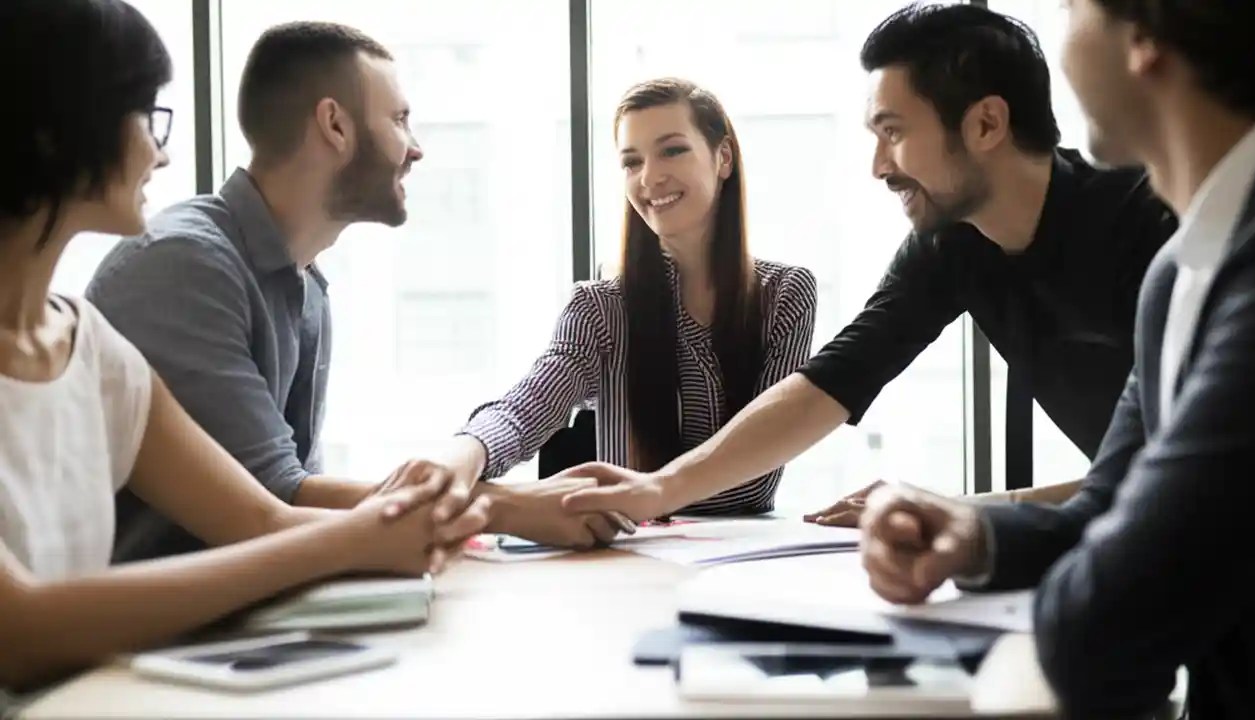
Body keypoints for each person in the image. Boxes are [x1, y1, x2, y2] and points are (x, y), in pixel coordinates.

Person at [0, 0, 488, 696]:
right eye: (145, 117)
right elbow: (16, 634)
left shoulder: (92, 348)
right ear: (52, 133)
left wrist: (439, 517)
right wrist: (363, 537)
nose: (161, 151)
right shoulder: (178, 265)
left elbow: (261, 518)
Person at [552, 4, 1175, 528]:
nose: (879, 166)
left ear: (986, 123)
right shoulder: (951, 242)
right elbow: (832, 382)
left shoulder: (1150, 224)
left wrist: (952, 511)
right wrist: (661, 488)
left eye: (894, 132)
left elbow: (1159, 469)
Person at [856, 0, 1255, 716]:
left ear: (1144, 35)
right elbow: (1106, 513)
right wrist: (974, 534)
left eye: (1070, 6)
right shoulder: (1182, 269)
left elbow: (1110, 620)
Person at [86, 21, 512, 561]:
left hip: (244, 615)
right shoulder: (183, 265)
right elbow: (274, 501)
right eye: (401, 119)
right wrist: (509, 509)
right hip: (160, 631)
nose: (417, 149)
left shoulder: (302, 283)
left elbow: (295, 508)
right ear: (335, 124)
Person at [415, 77, 817, 545]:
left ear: (723, 158)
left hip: (747, 557)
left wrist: (644, 491)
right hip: (627, 554)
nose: (649, 178)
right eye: (631, 162)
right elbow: (526, 408)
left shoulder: (786, 294)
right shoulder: (600, 307)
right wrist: (467, 452)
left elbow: (755, 480)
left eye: (672, 151)